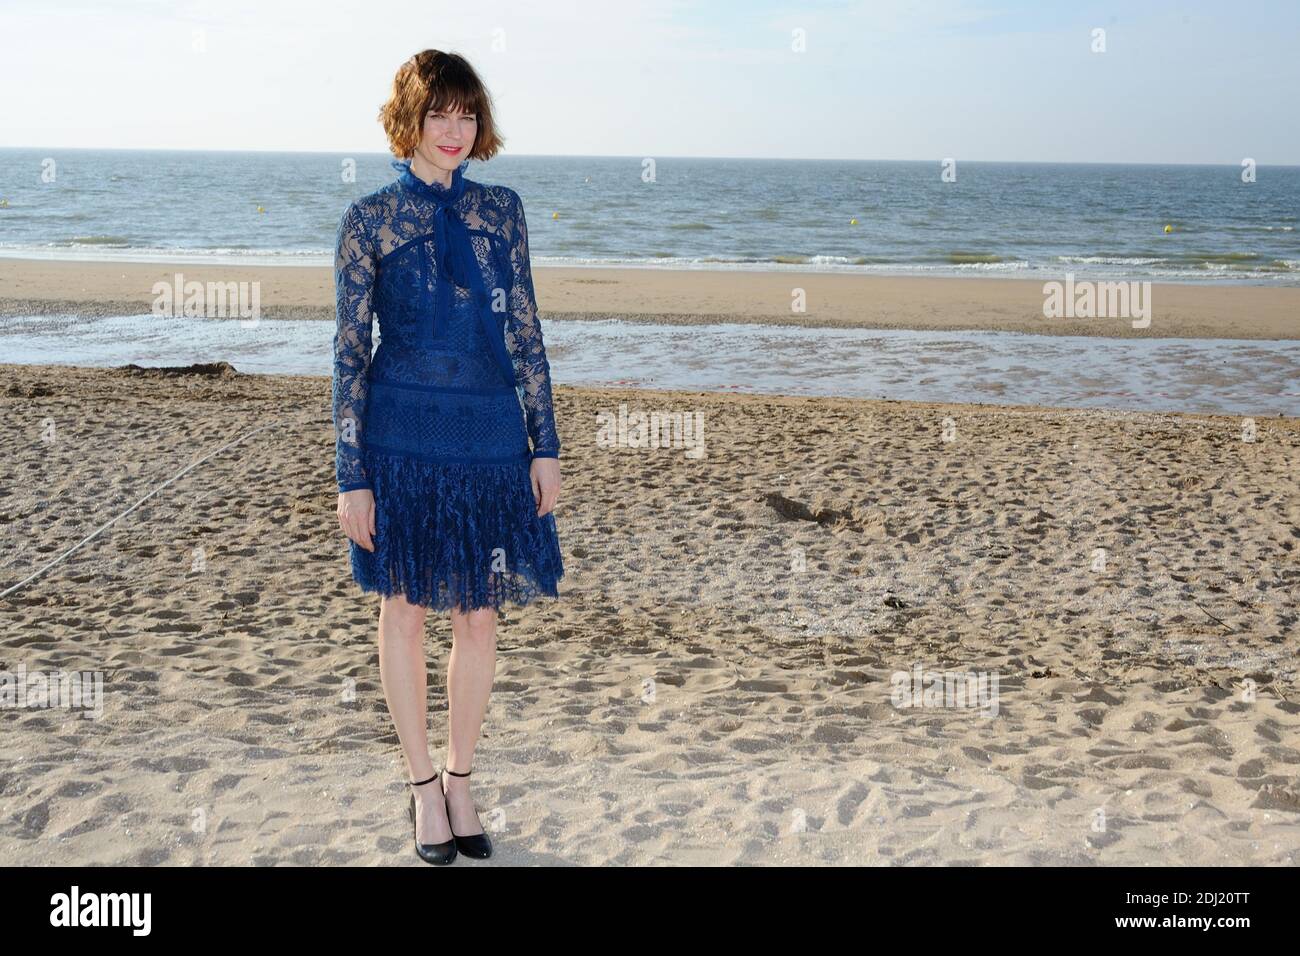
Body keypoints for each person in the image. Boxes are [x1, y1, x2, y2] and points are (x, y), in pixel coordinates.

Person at [332, 49, 564, 865]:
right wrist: (350, 474)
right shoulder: (369, 221)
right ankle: (423, 787)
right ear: (410, 119)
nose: (455, 130)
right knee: (404, 611)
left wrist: (547, 446)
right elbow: (348, 354)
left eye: (467, 114)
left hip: (493, 440)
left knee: (479, 613)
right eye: (440, 114)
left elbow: (526, 332)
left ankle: (463, 779)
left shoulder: (503, 210)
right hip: (400, 445)